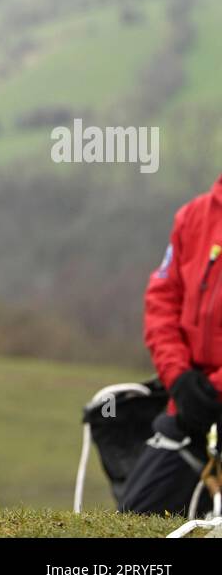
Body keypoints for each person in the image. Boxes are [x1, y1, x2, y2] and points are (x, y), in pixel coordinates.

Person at [120, 173, 222, 515]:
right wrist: (178, 378)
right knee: (132, 519)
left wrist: (215, 389)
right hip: (188, 411)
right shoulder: (193, 217)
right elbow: (162, 303)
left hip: (207, 398)